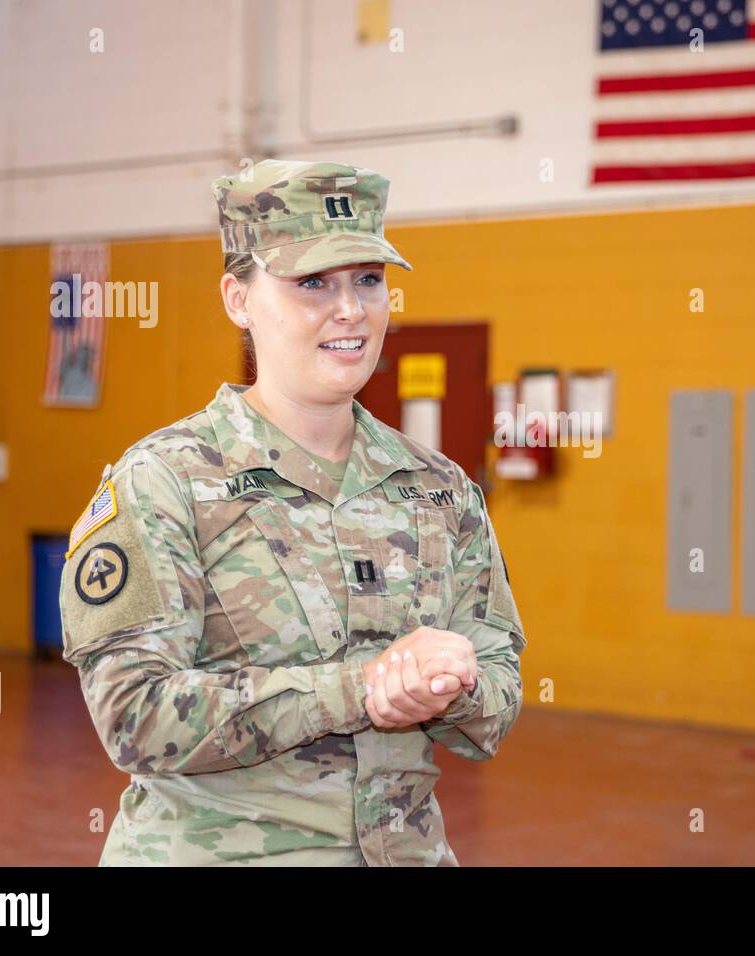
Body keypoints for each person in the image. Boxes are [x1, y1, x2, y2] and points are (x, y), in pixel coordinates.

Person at [58, 159, 526, 866]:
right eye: (312, 282)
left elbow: (496, 701)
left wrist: (451, 684)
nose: (350, 310)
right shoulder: (167, 480)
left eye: (368, 280)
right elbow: (136, 716)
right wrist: (360, 689)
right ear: (237, 299)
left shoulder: (439, 489)